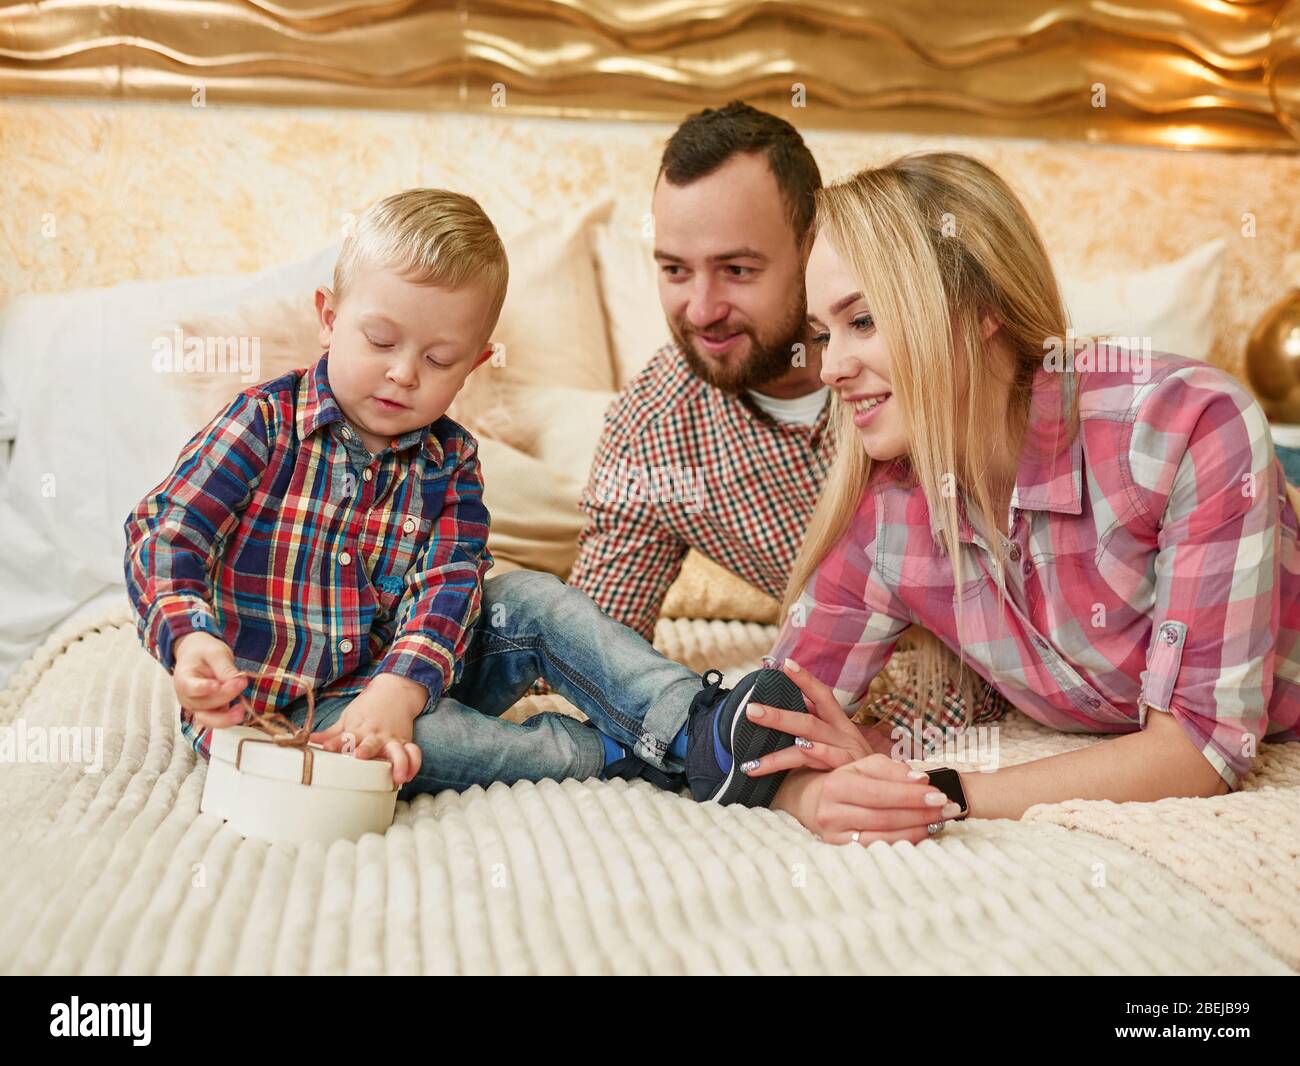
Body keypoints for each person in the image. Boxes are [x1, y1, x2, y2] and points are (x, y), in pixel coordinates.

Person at [122, 186, 814, 810]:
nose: (402, 374)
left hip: (419, 670)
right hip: (287, 712)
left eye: (439, 360)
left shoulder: (450, 459)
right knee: (439, 746)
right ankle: (612, 755)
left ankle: (698, 726)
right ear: (329, 319)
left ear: (477, 364)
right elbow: (165, 532)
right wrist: (189, 637)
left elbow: (450, 585)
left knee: (536, 599)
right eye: (381, 340)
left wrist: (402, 682)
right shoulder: (262, 424)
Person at [734, 151, 1300, 844]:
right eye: (822, 333)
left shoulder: (1188, 427)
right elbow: (771, 727)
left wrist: (943, 792)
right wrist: (817, 795)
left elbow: (1200, 746)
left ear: (980, 311)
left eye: (864, 322)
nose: (828, 367)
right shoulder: (883, 509)